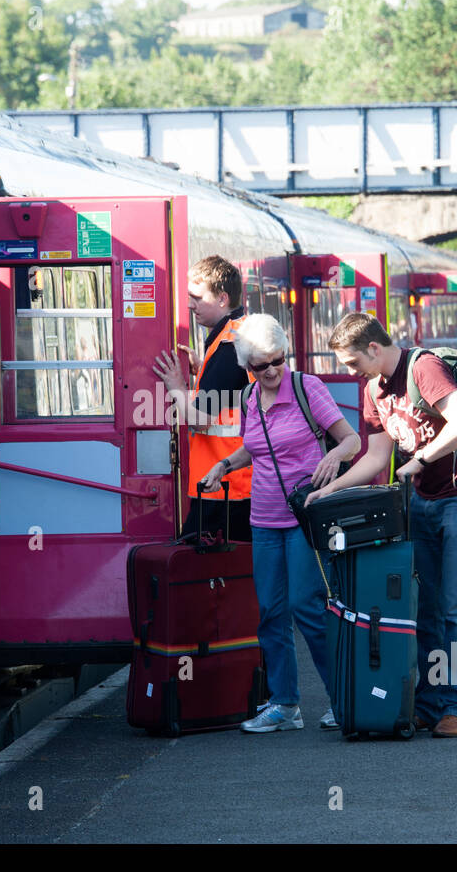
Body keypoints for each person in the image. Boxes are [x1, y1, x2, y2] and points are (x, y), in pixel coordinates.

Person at [313, 313, 457, 739]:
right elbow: (376, 458)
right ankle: (430, 703)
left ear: (374, 348)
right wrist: (331, 491)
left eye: (351, 361)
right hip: (424, 501)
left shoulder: (423, 368)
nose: (348, 371)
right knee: (426, 608)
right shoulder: (373, 389)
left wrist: (420, 459)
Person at [197, 314, 360, 733]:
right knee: (269, 612)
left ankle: (343, 699)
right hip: (263, 520)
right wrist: (223, 465)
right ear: (247, 367)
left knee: (305, 606)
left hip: (303, 518)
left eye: (277, 361)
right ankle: (284, 704)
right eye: (260, 365)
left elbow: (351, 439)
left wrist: (332, 457)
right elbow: (253, 449)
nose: (271, 371)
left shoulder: (307, 388)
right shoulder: (251, 398)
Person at [153, 256, 252, 542]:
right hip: (233, 480)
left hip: (224, 485)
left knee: (195, 566)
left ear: (222, 298)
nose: (189, 305)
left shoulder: (227, 347)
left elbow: (200, 420)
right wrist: (200, 377)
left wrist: (177, 387)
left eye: (196, 297)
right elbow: (229, 401)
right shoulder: (236, 334)